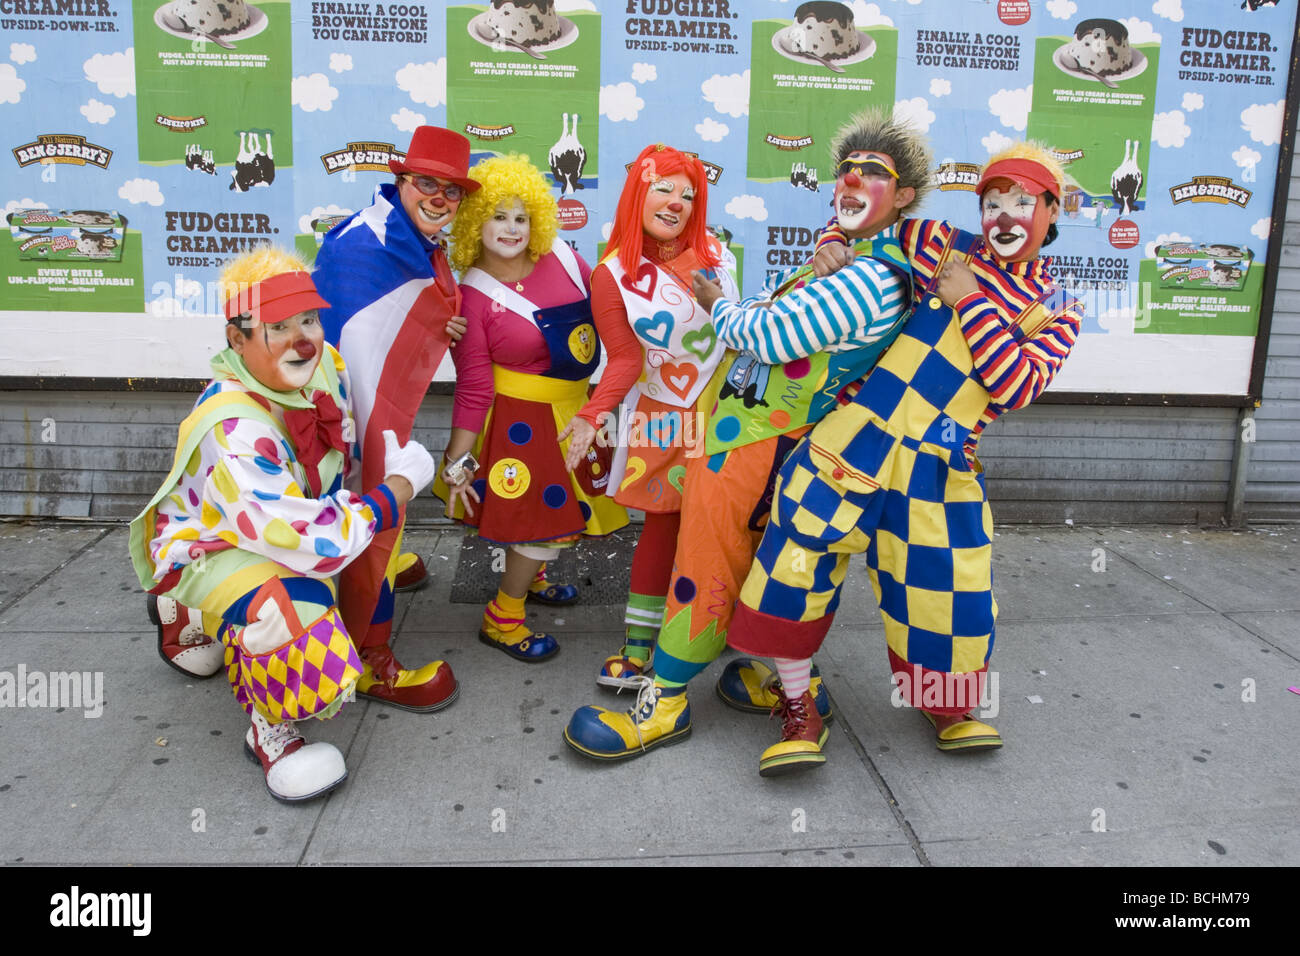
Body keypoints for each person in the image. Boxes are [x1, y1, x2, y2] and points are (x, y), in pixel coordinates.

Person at [563, 110, 927, 763]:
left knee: (704, 564)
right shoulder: (849, 260)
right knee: (750, 564)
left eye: (873, 174)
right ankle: (781, 682)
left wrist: (718, 306)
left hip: (763, 445)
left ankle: (664, 705)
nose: (851, 181)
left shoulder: (875, 275)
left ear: (902, 197)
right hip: (739, 437)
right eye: (846, 170)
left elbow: (771, 335)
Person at [722, 140, 1083, 771]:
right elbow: (868, 215)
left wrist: (970, 300)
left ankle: (946, 704)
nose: (1004, 216)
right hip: (851, 439)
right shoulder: (940, 241)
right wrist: (832, 239)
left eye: (1023, 203)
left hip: (940, 466)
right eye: (993, 201)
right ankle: (800, 708)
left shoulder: (1059, 306)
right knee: (793, 568)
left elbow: (1015, 385)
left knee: (949, 590)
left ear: (1053, 211)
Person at [128, 247, 439, 801]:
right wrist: (398, 490)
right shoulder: (235, 429)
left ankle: (200, 620)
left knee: (325, 572)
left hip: (281, 525)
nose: (304, 340)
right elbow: (317, 542)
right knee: (299, 621)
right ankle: (268, 730)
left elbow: (336, 461)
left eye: (310, 320)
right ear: (237, 338)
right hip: (214, 546)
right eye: (279, 327)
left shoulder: (324, 364)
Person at [310, 125, 478, 711]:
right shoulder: (369, 244)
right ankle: (368, 659)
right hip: (345, 410)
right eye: (427, 183)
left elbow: (401, 313)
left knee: (377, 481)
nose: (439, 198)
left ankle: (377, 560)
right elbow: (350, 336)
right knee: (374, 490)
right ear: (400, 180)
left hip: (368, 406)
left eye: (452, 191)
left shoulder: (413, 238)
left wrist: (439, 320)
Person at [435, 154, 628, 661]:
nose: (511, 228)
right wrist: (458, 462)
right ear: (477, 222)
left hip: (576, 414)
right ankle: (504, 617)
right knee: (544, 523)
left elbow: (610, 311)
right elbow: (474, 386)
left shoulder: (565, 257)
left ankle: (533, 571)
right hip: (522, 425)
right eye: (498, 215)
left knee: (550, 517)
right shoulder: (470, 297)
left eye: (521, 216)